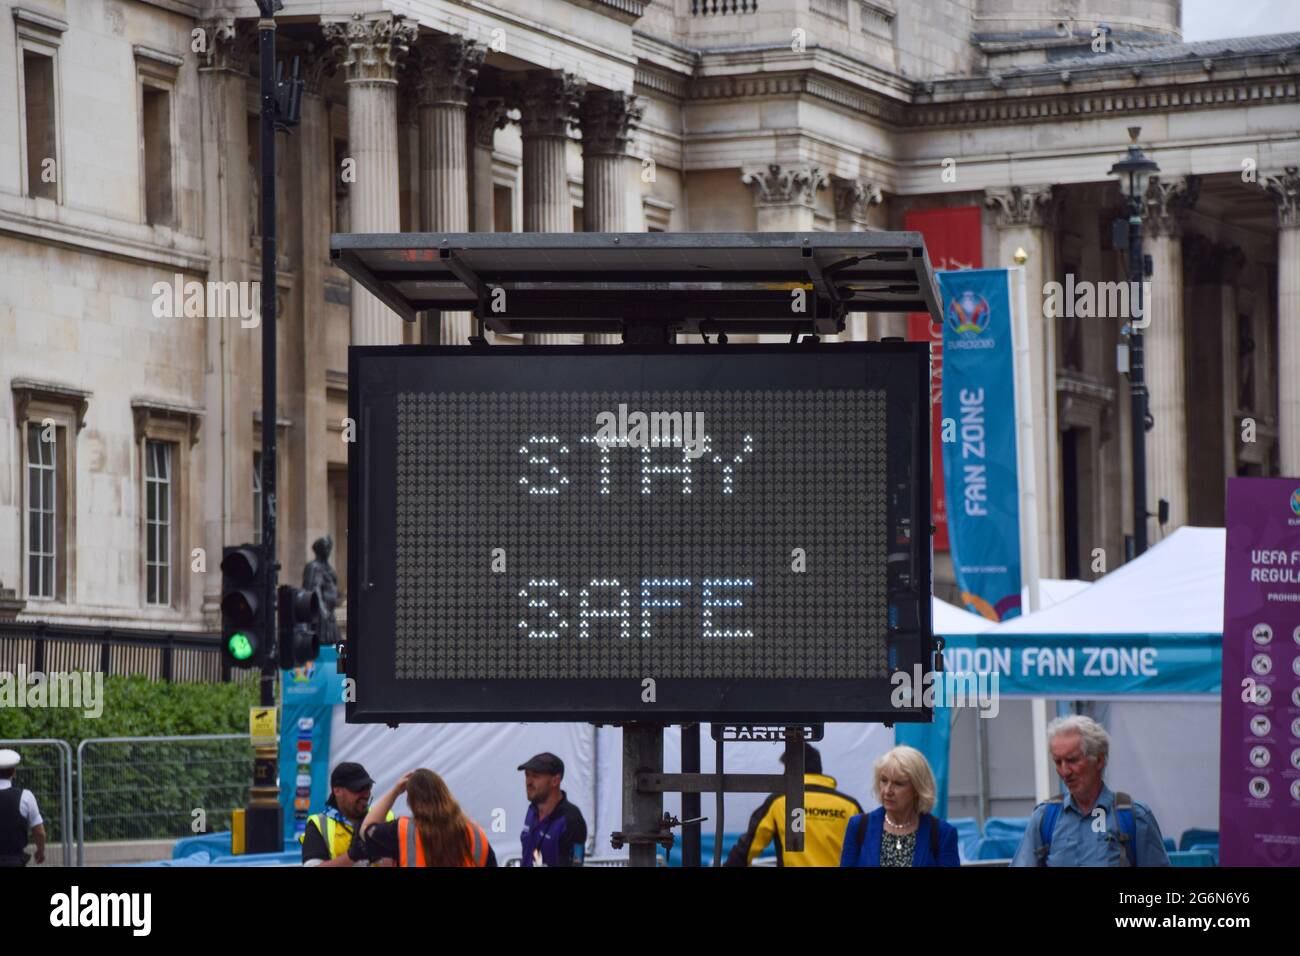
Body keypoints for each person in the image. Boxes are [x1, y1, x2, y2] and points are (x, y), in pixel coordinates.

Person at [1011, 714, 1171, 867]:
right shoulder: (1045, 818)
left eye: (1072, 760)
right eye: (1058, 762)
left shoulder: (1134, 818)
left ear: (1099, 760)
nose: (1064, 771)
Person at [725, 744, 863, 867]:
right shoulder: (850, 806)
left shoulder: (779, 802)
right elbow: (869, 851)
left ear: (788, 770)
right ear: (818, 769)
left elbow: (745, 850)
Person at [840, 745, 960, 867]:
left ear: (917, 788)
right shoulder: (858, 826)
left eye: (898, 783)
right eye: (884, 780)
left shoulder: (943, 834)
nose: (887, 791)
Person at [356, 769, 496, 867]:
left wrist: (395, 791)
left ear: (411, 801)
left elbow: (365, 830)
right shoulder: (476, 833)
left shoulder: (403, 831)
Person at [300, 761, 393, 867]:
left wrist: (384, 852)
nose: (366, 794)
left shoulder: (385, 817)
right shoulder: (319, 824)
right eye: (358, 788)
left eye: (368, 787)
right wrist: (352, 856)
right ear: (337, 791)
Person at [518, 752, 587, 867]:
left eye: (535, 776)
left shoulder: (572, 820)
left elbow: (577, 862)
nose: (529, 782)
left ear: (555, 780)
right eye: (527, 775)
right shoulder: (532, 810)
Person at [0, 749, 44, 867]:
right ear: (14, 772)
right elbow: (39, 832)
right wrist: (40, 851)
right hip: (14, 861)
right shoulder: (26, 796)